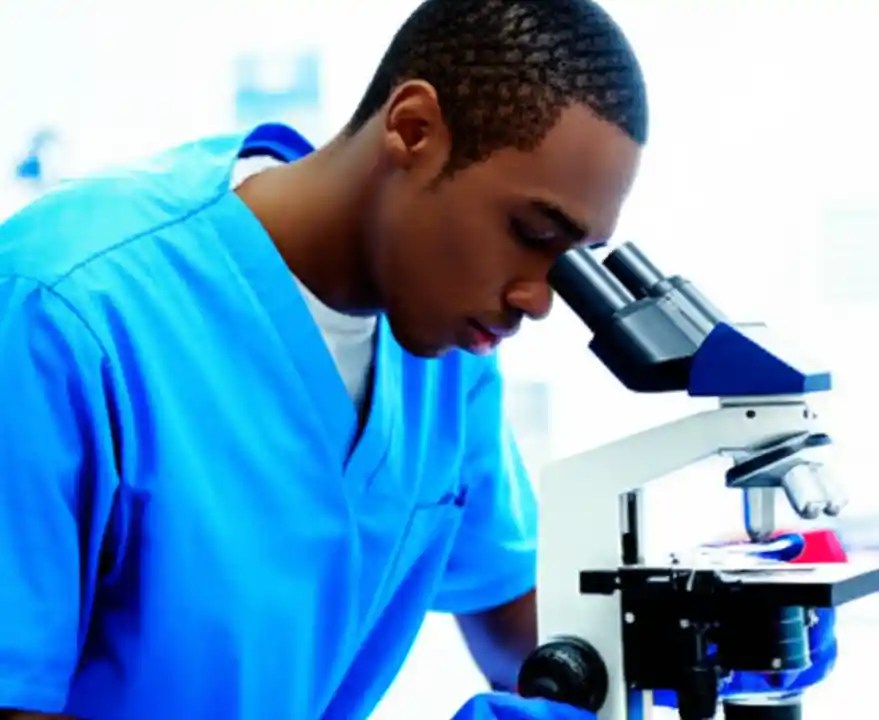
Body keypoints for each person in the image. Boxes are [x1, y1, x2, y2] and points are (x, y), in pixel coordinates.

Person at [0, 0, 645, 718]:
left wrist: (696, 625)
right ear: (413, 129)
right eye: (531, 233)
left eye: (573, 260)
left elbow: (526, 629)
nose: (539, 300)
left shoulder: (446, 341)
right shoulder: (63, 310)